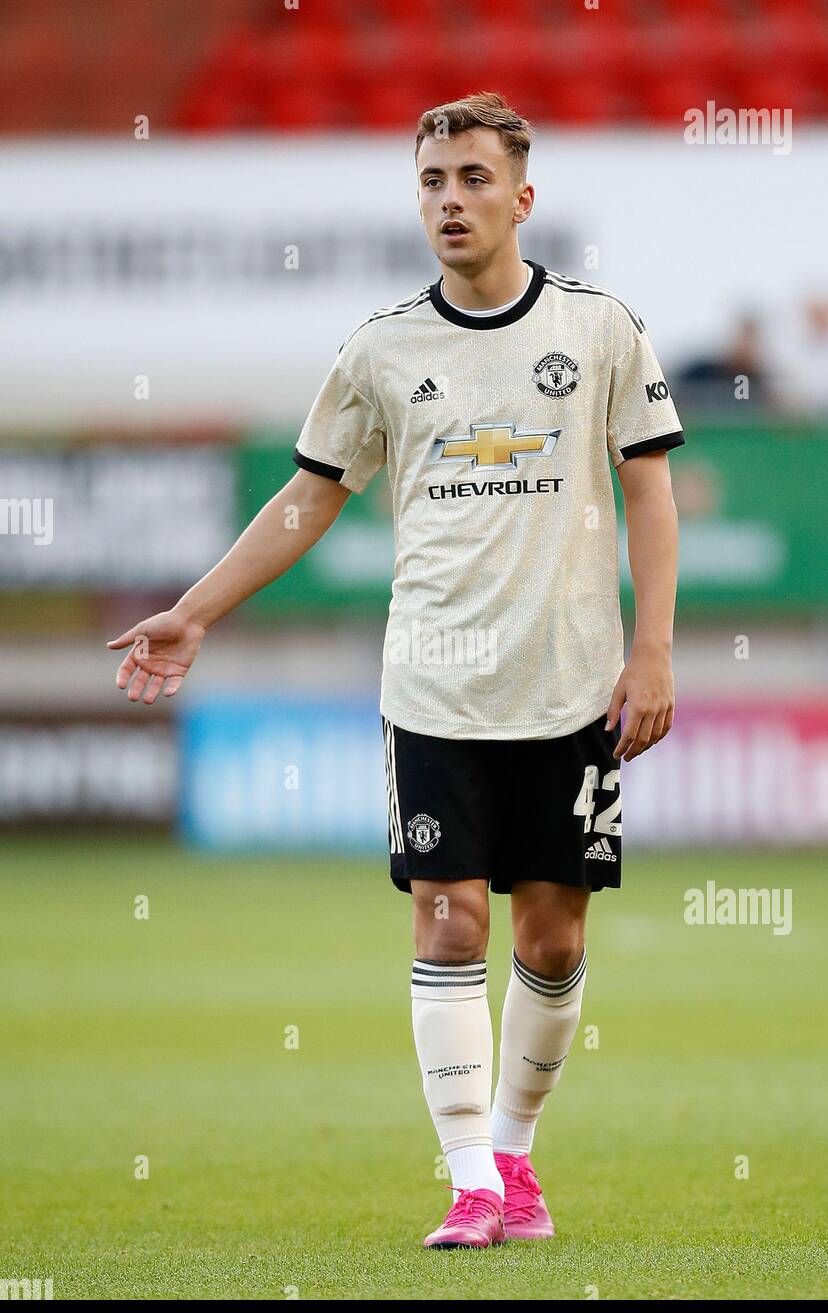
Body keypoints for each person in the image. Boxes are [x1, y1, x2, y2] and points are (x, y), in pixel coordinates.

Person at [107, 91, 684, 1250]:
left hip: (568, 686)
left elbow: (648, 491)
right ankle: (470, 1180)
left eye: (472, 179)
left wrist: (653, 646)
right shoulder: (378, 350)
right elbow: (305, 497)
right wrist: (194, 612)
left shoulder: (598, 330)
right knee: (447, 920)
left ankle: (514, 1160)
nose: (450, 200)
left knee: (552, 940)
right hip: (431, 686)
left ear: (522, 197)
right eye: (431, 181)